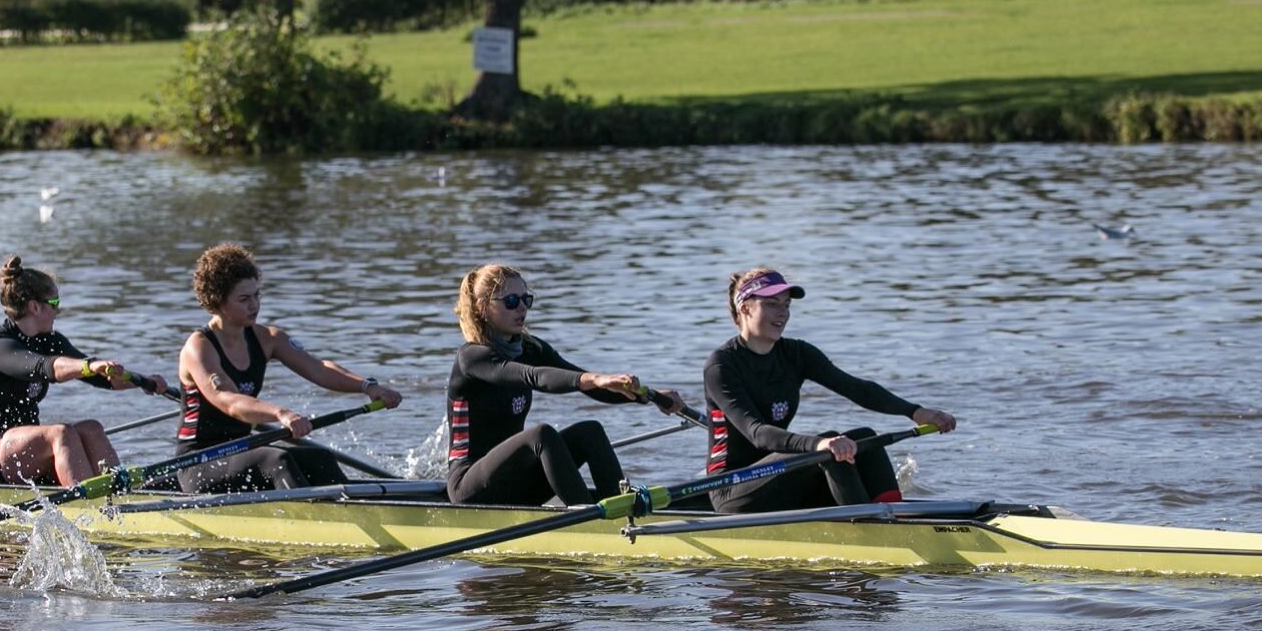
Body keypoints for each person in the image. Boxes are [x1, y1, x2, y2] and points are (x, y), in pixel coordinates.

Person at [704, 266, 957, 514]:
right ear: (745, 307)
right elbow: (757, 433)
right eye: (772, 303)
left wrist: (915, 412)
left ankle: (894, 514)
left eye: (786, 305)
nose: (782, 313)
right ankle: (870, 529)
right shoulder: (721, 366)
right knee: (831, 449)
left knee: (865, 439)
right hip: (732, 488)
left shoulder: (797, 354)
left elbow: (856, 388)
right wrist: (819, 444)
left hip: (781, 477)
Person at [170, 243, 403, 494]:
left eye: (257, 295)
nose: (254, 305)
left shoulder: (268, 338)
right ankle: (322, 524)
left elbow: (319, 369)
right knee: (276, 461)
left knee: (319, 457)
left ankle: (362, 514)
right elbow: (229, 402)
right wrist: (281, 413)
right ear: (217, 302)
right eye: (244, 299)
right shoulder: (199, 347)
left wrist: (368, 386)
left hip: (243, 451)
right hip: (199, 462)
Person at [447, 263, 683, 507]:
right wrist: (595, 378)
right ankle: (588, 522)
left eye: (526, 299)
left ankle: (621, 510)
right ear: (482, 308)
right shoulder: (472, 358)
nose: (522, 308)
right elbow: (534, 377)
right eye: (511, 301)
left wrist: (650, 397)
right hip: (470, 488)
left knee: (590, 431)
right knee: (541, 435)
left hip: (515, 481)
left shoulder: (530, 348)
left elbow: (582, 381)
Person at [0, 255, 168, 485]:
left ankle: (124, 501)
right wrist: (87, 365)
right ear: (34, 307)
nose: (59, 310)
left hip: (19, 450)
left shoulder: (49, 341)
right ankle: (86, 512)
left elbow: (103, 379)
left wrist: (146, 382)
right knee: (60, 434)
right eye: (54, 304)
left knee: (92, 429)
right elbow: (45, 367)